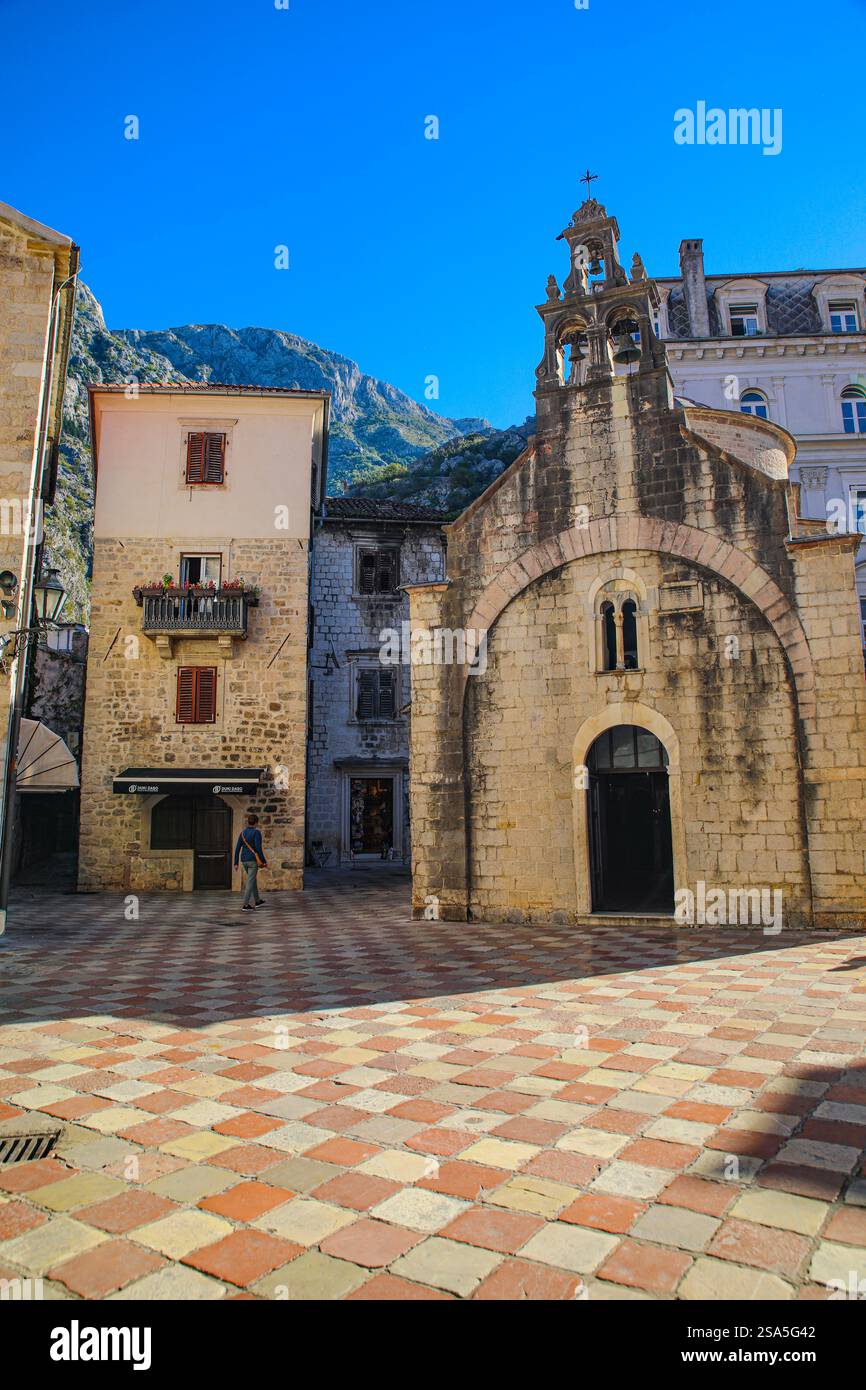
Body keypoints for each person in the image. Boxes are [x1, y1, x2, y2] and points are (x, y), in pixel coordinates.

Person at [234, 813, 267, 910]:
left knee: (252, 880)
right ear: (256, 823)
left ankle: (257, 900)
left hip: (244, 860)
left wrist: (236, 862)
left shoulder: (242, 833)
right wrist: (263, 861)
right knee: (250, 882)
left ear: (248, 822)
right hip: (253, 861)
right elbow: (258, 848)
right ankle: (245, 905)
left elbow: (237, 848)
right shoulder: (256, 833)